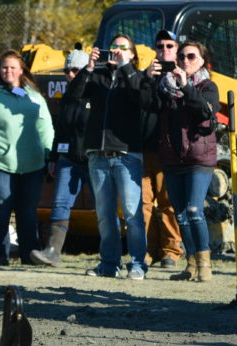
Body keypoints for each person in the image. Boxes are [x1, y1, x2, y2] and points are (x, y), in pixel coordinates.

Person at [67, 33, 153, 280]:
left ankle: (137, 264)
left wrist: (126, 67)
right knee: (104, 214)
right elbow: (73, 96)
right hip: (98, 155)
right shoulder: (98, 76)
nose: (115, 51)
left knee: (132, 213)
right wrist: (88, 67)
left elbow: (143, 99)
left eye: (122, 48)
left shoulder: (137, 77)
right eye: (113, 47)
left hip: (126, 156)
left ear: (132, 54)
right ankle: (109, 264)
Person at [0, 50, 54, 265]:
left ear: (21, 71)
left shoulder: (34, 96)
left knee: (27, 212)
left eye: (13, 67)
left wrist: (49, 157)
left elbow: (46, 129)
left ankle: (30, 255)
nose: (8, 71)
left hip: (32, 164)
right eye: (4, 67)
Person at [156, 40, 219, 282]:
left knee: (194, 210)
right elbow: (150, 108)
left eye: (191, 56)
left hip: (199, 158)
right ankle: (191, 264)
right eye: (181, 56)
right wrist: (150, 79)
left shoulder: (208, 86)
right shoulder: (165, 87)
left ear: (202, 60)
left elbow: (205, 111)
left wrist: (185, 86)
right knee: (180, 215)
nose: (185, 60)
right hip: (173, 158)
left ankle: (205, 264)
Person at [30, 47, 92, 267]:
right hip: (68, 159)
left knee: (105, 207)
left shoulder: (97, 95)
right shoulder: (66, 99)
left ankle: (111, 255)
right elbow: (60, 131)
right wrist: (55, 158)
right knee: (60, 203)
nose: (71, 75)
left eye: (76, 70)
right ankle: (53, 251)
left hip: (93, 160)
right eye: (68, 70)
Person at [141, 30, 183, 269]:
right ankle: (147, 249)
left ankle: (170, 250)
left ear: (176, 49)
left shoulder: (183, 74)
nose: (164, 50)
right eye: (160, 46)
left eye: (169, 45)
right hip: (146, 147)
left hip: (170, 149)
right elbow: (140, 101)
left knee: (168, 204)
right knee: (142, 205)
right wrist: (147, 78)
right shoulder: (146, 76)